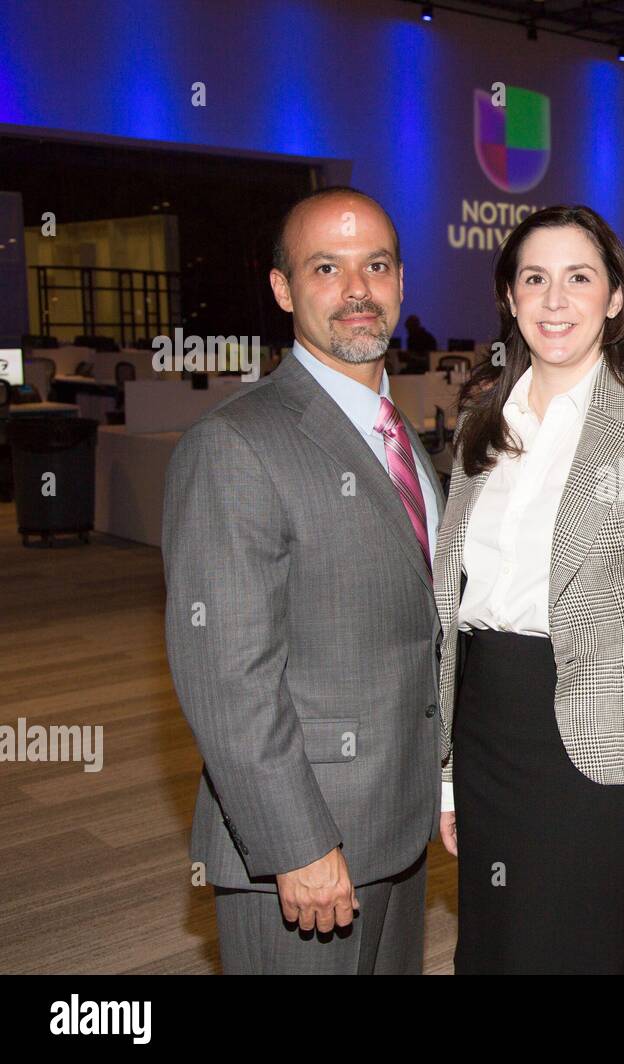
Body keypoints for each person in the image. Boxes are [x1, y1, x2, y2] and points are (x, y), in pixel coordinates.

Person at [433, 204, 624, 974]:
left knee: (565, 953)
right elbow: (451, 607)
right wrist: (446, 774)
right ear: (510, 297)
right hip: (486, 728)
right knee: (490, 951)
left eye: (578, 278)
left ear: (615, 299)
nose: (555, 300)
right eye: (535, 278)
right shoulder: (480, 424)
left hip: (594, 750)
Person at [162, 186, 444, 974]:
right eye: (327, 267)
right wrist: (299, 843)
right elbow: (227, 677)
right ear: (284, 289)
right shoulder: (235, 445)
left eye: (376, 265)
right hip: (305, 851)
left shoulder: (399, 440)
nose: (358, 290)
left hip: (397, 827)